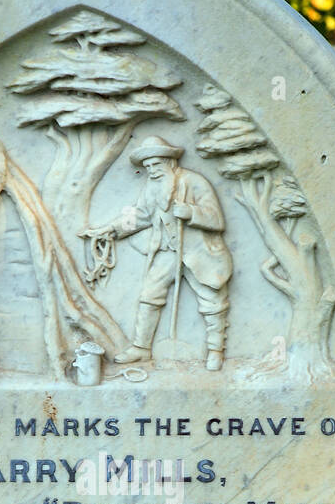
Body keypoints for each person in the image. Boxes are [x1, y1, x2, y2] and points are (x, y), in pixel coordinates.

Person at [92, 137, 232, 370]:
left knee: (212, 301)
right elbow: (140, 216)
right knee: (149, 296)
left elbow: (217, 219)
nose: (152, 170)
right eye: (147, 167)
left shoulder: (194, 181)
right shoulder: (151, 187)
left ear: (170, 162)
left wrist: (190, 212)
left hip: (198, 252)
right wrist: (110, 229)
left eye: (156, 165)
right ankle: (141, 348)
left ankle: (216, 350)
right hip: (167, 252)